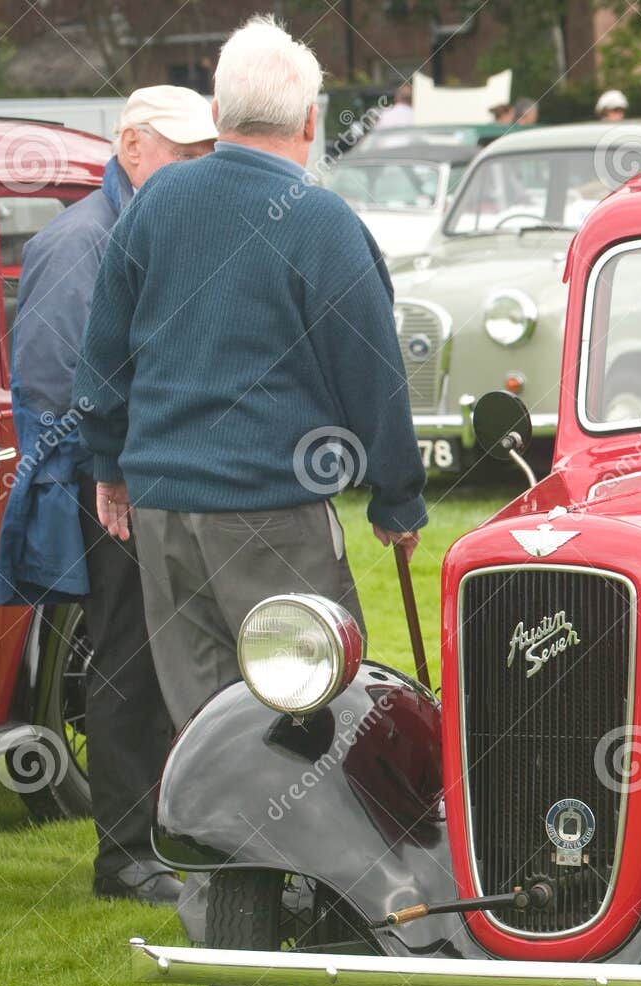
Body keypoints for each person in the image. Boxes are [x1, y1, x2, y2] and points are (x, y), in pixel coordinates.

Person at [72, 15, 427, 735]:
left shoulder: (156, 201)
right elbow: (373, 372)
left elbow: (103, 350)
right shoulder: (321, 220)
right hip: (271, 509)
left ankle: (223, 818)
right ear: (309, 121)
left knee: (205, 728)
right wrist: (397, 495)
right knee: (315, 716)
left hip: (165, 508)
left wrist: (109, 463)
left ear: (218, 111)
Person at [0, 87, 216, 907]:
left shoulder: (150, 226)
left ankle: (169, 831)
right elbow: (54, 381)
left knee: (174, 657)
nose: (196, 169)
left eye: (204, 155)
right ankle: (125, 856)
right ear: (131, 147)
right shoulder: (81, 240)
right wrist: (109, 471)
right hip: (111, 488)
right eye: (183, 153)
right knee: (129, 661)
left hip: (156, 475)